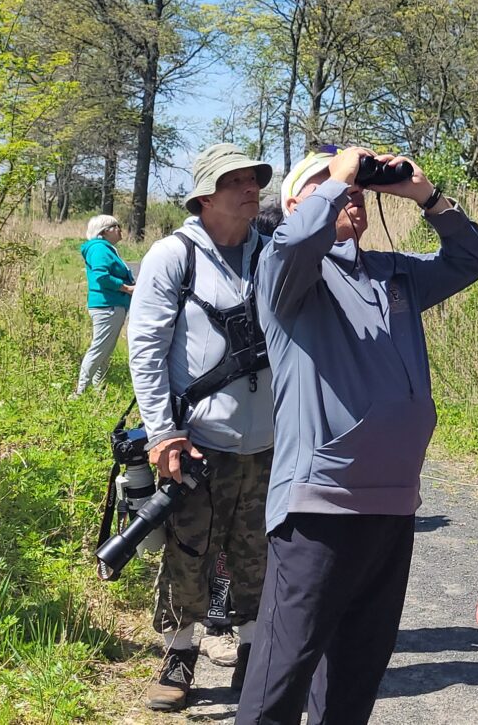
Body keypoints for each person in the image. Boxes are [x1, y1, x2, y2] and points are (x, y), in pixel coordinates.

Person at [238, 146, 478, 725]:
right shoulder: (286, 278)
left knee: (357, 673)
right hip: (318, 505)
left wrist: (428, 198)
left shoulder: (393, 271)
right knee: (284, 672)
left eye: (354, 187)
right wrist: (339, 178)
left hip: (394, 505)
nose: (350, 192)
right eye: (327, 186)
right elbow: (292, 244)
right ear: (298, 203)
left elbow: (474, 258)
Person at [126, 144, 278, 710]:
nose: (249, 189)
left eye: (253, 179)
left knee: (259, 549)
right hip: (195, 441)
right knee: (189, 547)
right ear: (204, 196)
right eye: (233, 181)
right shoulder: (173, 256)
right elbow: (145, 349)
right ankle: (180, 655)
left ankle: (253, 654)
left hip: (268, 441)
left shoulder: (273, 254)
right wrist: (162, 432)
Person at [75, 214, 134, 395]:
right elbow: (101, 276)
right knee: (99, 348)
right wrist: (126, 288)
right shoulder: (99, 249)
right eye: (115, 226)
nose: (119, 229)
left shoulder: (105, 248)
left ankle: (98, 386)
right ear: (104, 231)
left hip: (112, 305)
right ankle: (80, 392)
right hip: (107, 306)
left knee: (105, 349)